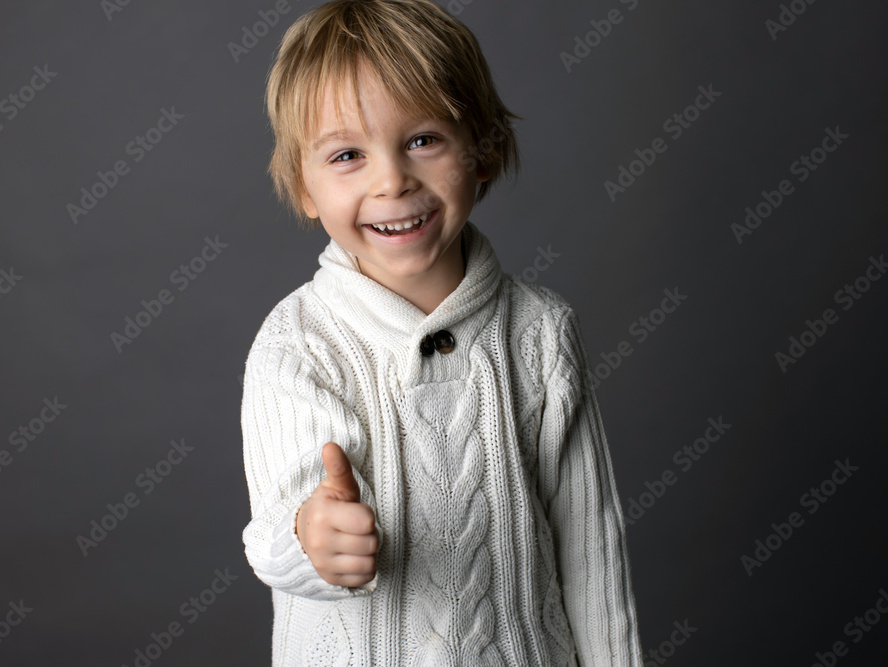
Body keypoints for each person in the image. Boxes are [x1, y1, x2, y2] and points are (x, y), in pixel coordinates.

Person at [240, 1, 642, 664]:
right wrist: (312, 536)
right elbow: (277, 532)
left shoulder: (541, 333)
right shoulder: (297, 345)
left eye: (422, 139)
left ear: (482, 151)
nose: (393, 180)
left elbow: (593, 555)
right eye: (346, 154)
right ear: (304, 187)